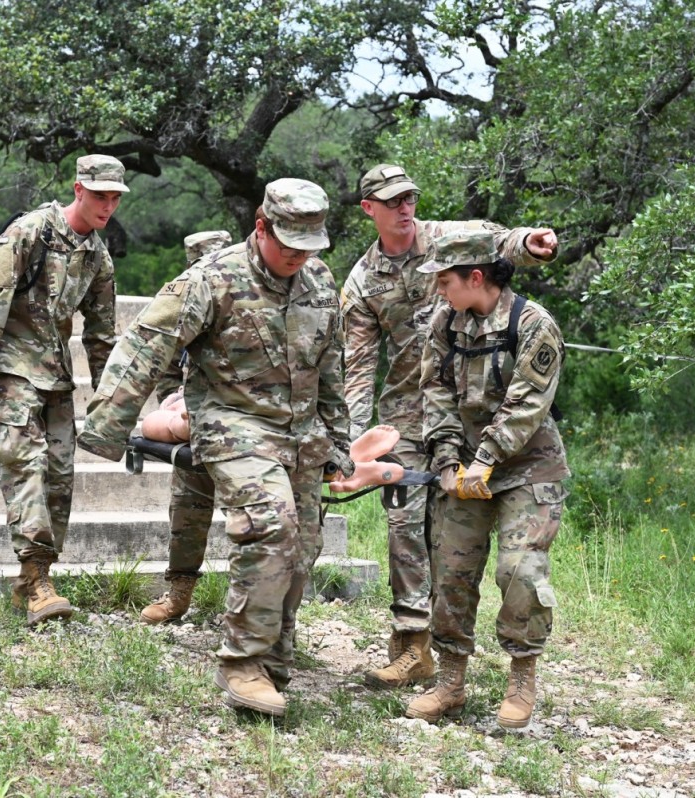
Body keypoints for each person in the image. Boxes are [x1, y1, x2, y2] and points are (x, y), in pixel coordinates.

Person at [78, 179, 353, 717]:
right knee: (271, 525)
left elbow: (331, 366)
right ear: (261, 225)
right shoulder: (213, 278)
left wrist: (339, 440)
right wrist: (109, 425)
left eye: (309, 245)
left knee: (301, 549)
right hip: (232, 423)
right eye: (288, 242)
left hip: (300, 432)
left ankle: (273, 660)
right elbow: (145, 345)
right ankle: (241, 662)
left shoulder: (319, 280)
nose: (298, 255)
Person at [341, 164, 559, 689]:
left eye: (410, 198)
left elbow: (498, 243)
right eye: (392, 201)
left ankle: (501, 669)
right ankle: (413, 645)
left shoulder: (446, 242)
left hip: (486, 418)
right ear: (369, 208)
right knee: (407, 527)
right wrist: (349, 442)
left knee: (483, 551)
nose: (404, 208)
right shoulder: (362, 281)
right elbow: (358, 364)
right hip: (414, 417)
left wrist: (529, 243)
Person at [406, 228, 569, 729]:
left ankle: (522, 679)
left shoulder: (534, 324)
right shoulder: (444, 324)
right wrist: (451, 462)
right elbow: (434, 394)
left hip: (527, 467)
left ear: (476, 277)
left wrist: (486, 460)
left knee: (519, 571)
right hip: (467, 467)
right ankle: (450, 682)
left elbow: (526, 405)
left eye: (445, 281)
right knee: (451, 571)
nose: (439, 291)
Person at [0, 154, 129, 627]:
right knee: (25, 466)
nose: (107, 205)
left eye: (115, 197)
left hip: (54, 373)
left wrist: (109, 397)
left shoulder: (98, 254)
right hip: (9, 366)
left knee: (58, 476)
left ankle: (34, 577)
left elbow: (101, 333)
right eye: (99, 195)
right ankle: (37, 583)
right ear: (79, 189)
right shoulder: (31, 232)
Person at [138, 229, 233, 625]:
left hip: (241, 423)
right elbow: (163, 366)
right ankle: (179, 590)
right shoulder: (182, 303)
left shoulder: (248, 302)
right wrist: (174, 403)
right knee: (188, 508)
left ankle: (256, 609)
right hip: (192, 421)